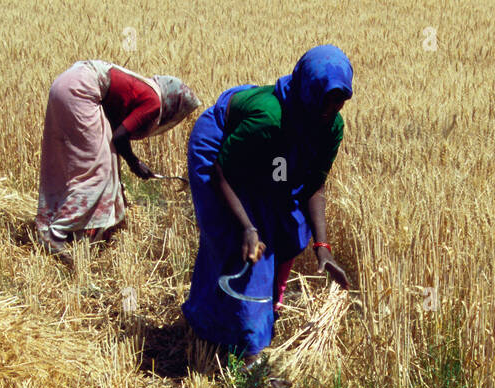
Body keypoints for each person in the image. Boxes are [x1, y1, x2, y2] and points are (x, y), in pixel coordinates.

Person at [182, 45, 352, 366]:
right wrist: (247, 227)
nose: (332, 107)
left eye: (340, 98)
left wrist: (323, 247)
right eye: (325, 97)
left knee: (285, 229)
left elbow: (314, 186)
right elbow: (221, 173)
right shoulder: (270, 118)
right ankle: (237, 346)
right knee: (232, 239)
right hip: (220, 145)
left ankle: (258, 315)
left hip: (271, 149)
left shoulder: (330, 126)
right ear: (307, 89)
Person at [36, 61, 199, 250]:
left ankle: (71, 226)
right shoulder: (153, 102)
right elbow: (120, 137)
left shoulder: (142, 89)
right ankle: (57, 231)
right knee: (98, 172)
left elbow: (114, 139)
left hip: (65, 84)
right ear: (173, 104)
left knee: (83, 164)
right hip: (81, 92)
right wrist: (134, 163)